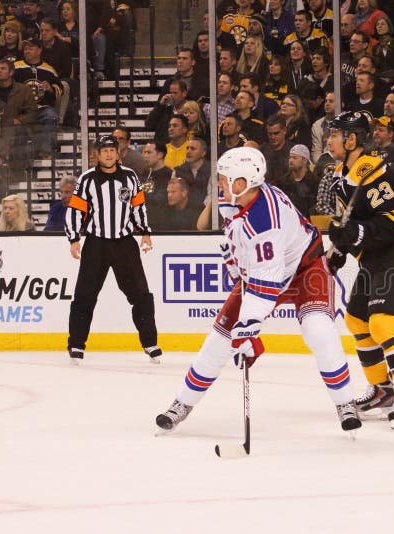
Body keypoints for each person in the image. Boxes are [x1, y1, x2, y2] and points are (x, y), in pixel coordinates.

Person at [155, 146, 362, 434]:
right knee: (219, 340)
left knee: (319, 330)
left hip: (306, 269)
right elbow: (248, 256)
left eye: (225, 178)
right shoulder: (238, 199)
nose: (220, 183)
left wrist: (249, 328)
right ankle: (182, 403)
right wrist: (233, 257)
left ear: (242, 183)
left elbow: (265, 284)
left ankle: (345, 402)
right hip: (265, 273)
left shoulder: (267, 223)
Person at [325, 110, 394, 431]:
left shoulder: (372, 171)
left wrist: (354, 235)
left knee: (384, 323)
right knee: (357, 319)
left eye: (334, 135)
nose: (329, 140)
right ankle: (383, 392)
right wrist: (340, 249)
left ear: (352, 139)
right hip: (374, 256)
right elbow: (347, 223)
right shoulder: (343, 173)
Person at [64, 135, 161, 365]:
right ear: (97, 154)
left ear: (118, 153)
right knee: (84, 296)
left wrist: (145, 233)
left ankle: (150, 343)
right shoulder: (87, 179)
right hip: (96, 244)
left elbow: (138, 206)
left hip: (125, 244)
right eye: (104, 150)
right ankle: (76, 345)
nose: (108, 154)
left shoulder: (130, 177)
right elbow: (75, 210)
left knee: (141, 295)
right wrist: (73, 238)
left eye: (112, 150)